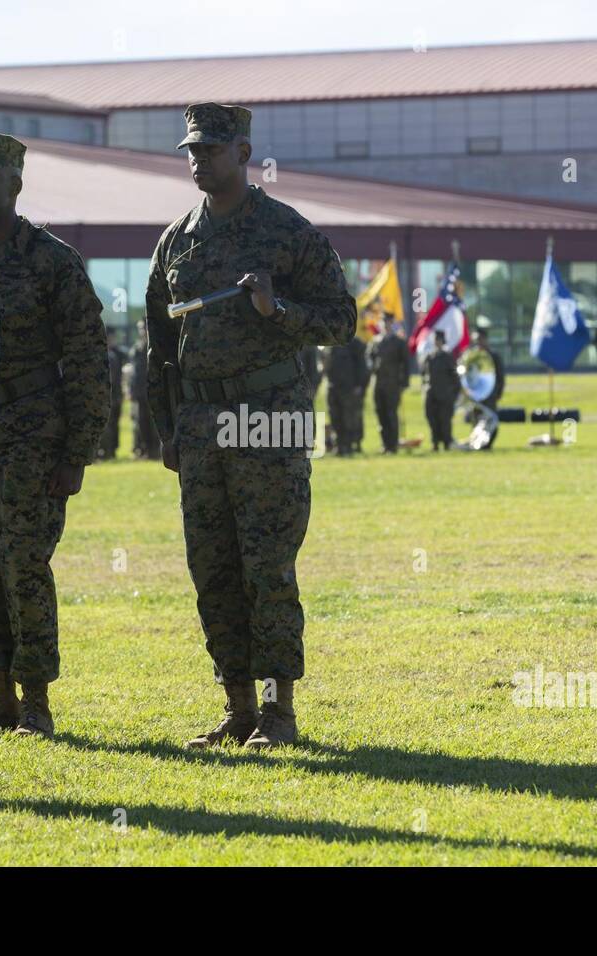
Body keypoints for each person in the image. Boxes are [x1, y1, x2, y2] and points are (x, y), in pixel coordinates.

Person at [144, 103, 355, 749]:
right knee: (213, 568)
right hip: (203, 422)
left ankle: (278, 711)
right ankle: (237, 708)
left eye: (210, 149)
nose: (197, 159)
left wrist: (277, 307)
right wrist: (169, 430)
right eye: (191, 150)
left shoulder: (286, 231)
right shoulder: (177, 239)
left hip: (270, 417)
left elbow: (341, 321)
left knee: (268, 565)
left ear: (243, 151)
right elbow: (159, 346)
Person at [0, 128, 110, 740]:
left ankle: (36, 699)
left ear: (14, 185)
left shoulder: (52, 261)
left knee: (23, 565)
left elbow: (88, 361)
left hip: (35, 439)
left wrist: (77, 453)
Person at [366, 312, 409, 453]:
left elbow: (406, 364)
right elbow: (368, 359)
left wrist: (404, 382)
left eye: (388, 322)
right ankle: (385, 444)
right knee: (381, 413)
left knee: (391, 414)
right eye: (384, 322)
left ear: (392, 324)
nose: (386, 325)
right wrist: (372, 367)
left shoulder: (398, 342)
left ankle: (393, 444)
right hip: (378, 383)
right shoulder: (376, 341)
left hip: (393, 383)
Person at [324, 335, 368, 455]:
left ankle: (348, 446)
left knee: (349, 418)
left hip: (349, 388)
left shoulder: (355, 343)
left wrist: (359, 385)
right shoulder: (329, 341)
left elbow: (362, 366)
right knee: (335, 417)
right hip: (333, 386)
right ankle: (338, 445)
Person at [421, 329, 459, 450]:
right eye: (436, 340)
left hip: (444, 394)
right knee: (432, 418)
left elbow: (455, 377)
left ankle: (447, 442)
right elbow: (424, 375)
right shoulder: (429, 357)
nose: (437, 342)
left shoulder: (448, 357)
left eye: (439, 340)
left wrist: (453, 394)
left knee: (445, 419)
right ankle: (435, 442)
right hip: (431, 393)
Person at [128, 319, 160, 459]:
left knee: (155, 424)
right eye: (140, 328)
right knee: (141, 423)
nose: (142, 331)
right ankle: (145, 450)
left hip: (153, 392)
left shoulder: (155, 347)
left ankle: (155, 451)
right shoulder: (136, 349)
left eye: (144, 328)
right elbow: (133, 373)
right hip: (140, 393)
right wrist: (131, 390)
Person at [98, 328, 126, 459]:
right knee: (112, 425)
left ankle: (108, 451)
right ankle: (110, 451)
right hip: (113, 395)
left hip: (110, 396)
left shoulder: (110, 356)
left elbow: (112, 380)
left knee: (108, 425)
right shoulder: (112, 355)